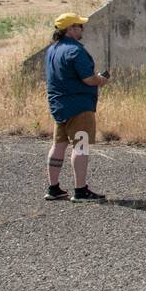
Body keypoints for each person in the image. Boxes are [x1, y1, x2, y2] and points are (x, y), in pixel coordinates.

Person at [44, 13, 110, 202]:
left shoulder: (52, 50)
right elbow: (88, 79)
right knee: (80, 146)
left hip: (59, 106)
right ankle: (80, 190)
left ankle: (53, 188)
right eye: (80, 26)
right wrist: (101, 80)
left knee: (58, 145)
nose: (82, 29)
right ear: (71, 29)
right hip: (79, 107)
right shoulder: (76, 51)